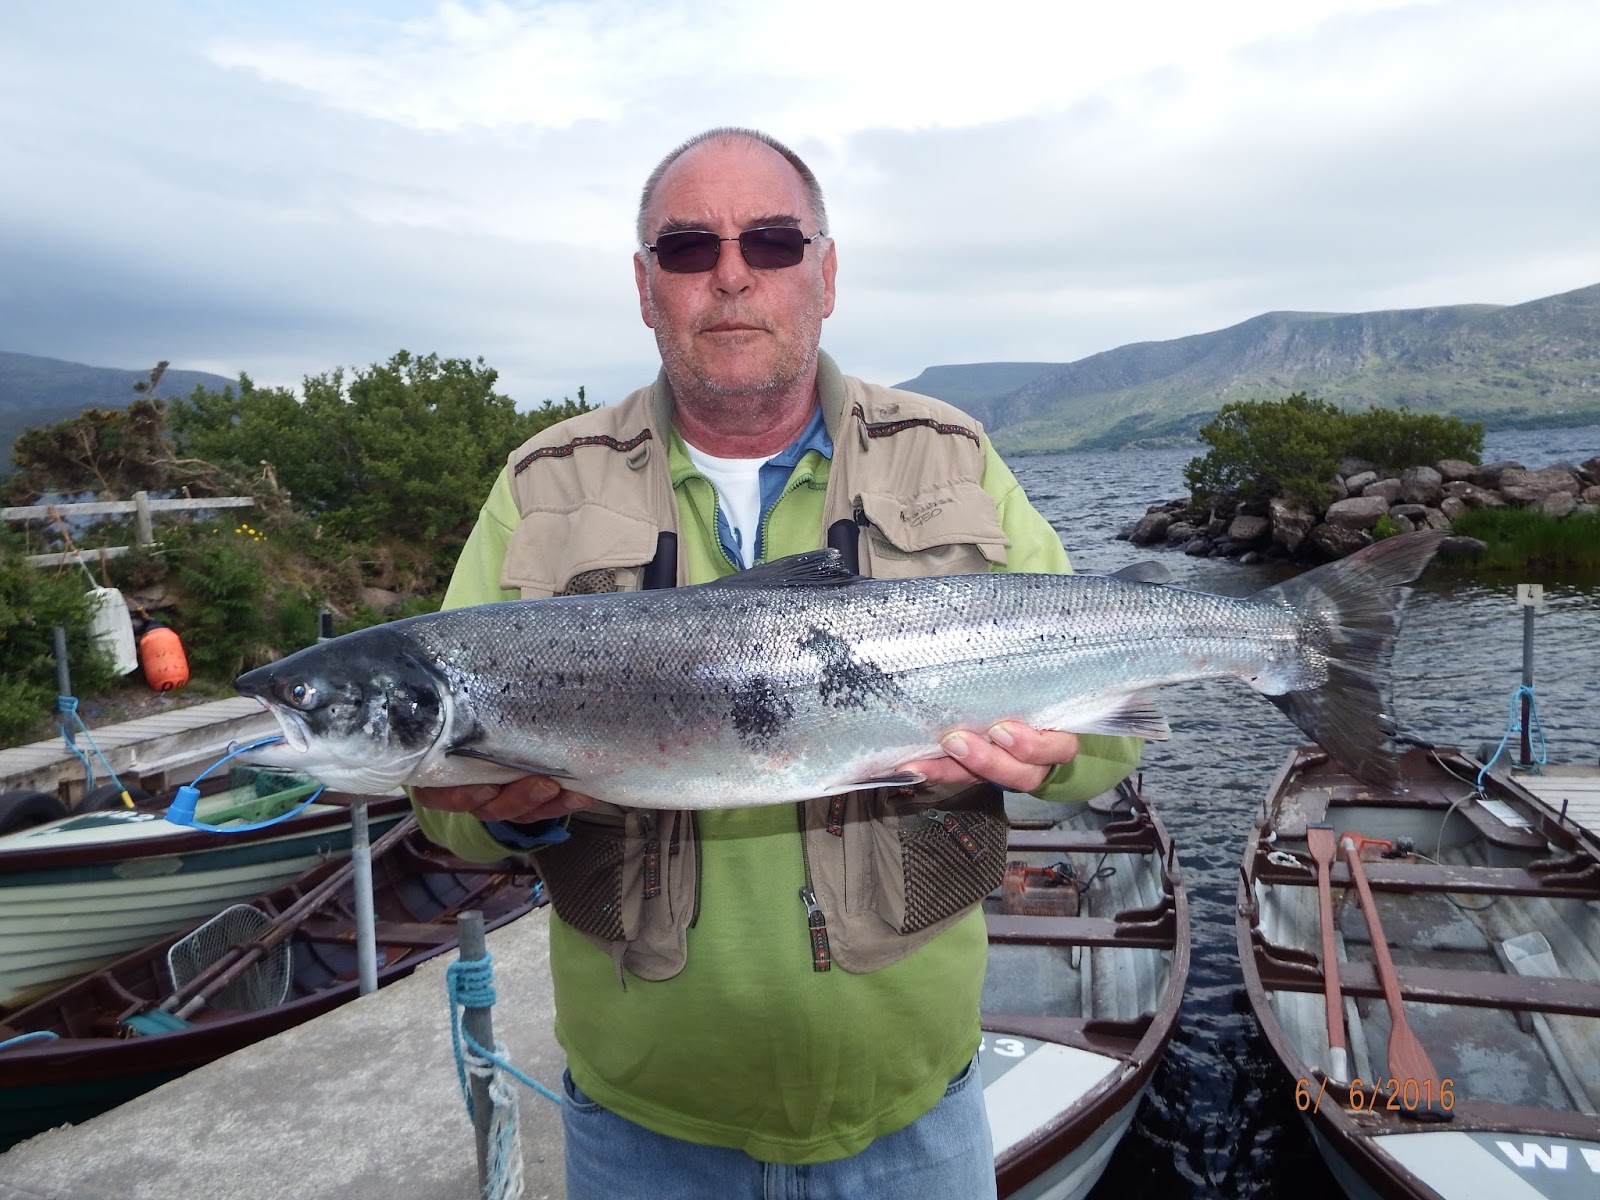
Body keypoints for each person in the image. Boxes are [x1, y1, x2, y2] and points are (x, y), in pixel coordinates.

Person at [411, 127, 1141, 1200]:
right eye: (687, 248)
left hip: (915, 1114)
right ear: (645, 286)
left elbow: (1100, 746)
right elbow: (442, 805)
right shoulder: (539, 488)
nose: (732, 273)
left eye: (771, 239)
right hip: (643, 1126)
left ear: (827, 272)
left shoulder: (952, 454)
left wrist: (1045, 758)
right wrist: (509, 808)